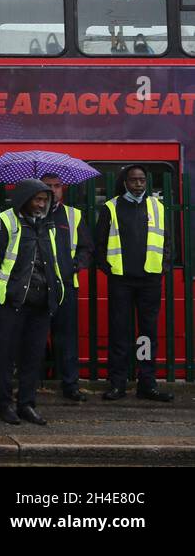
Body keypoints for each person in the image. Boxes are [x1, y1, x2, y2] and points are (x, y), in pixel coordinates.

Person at [0, 179, 64, 426]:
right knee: (7, 356)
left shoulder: (48, 225)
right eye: (37, 199)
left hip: (41, 302)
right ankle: (4, 404)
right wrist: (0, 294)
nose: (41, 204)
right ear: (25, 200)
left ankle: (26, 404)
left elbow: (53, 260)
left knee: (34, 356)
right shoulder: (7, 221)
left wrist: (57, 291)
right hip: (14, 302)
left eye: (45, 200)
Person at [93, 165, 175, 402]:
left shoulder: (157, 207)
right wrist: (108, 269)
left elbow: (168, 240)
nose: (139, 184)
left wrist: (163, 267)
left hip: (150, 279)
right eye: (134, 180)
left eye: (142, 180)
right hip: (121, 281)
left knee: (147, 334)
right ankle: (117, 384)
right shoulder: (112, 207)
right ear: (125, 183)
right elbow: (100, 243)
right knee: (119, 332)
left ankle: (147, 384)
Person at [41, 173, 93, 401]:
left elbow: (87, 248)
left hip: (65, 287)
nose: (53, 190)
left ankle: (70, 385)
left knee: (67, 338)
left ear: (63, 189)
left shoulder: (73, 216)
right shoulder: (30, 213)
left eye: (57, 186)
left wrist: (75, 265)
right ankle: (31, 384)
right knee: (34, 338)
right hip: (37, 288)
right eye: (47, 186)